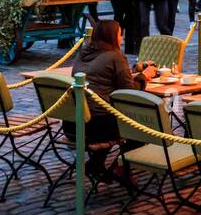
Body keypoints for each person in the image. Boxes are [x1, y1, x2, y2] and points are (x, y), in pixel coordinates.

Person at [65, 18, 157, 186]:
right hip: (96, 127)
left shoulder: (84, 52)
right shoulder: (115, 56)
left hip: (73, 123)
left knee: (110, 115)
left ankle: (96, 164)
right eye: (120, 34)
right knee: (143, 126)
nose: (122, 37)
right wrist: (145, 76)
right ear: (112, 36)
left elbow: (104, 76)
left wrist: (134, 69)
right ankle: (120, 168)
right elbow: (130, 93)